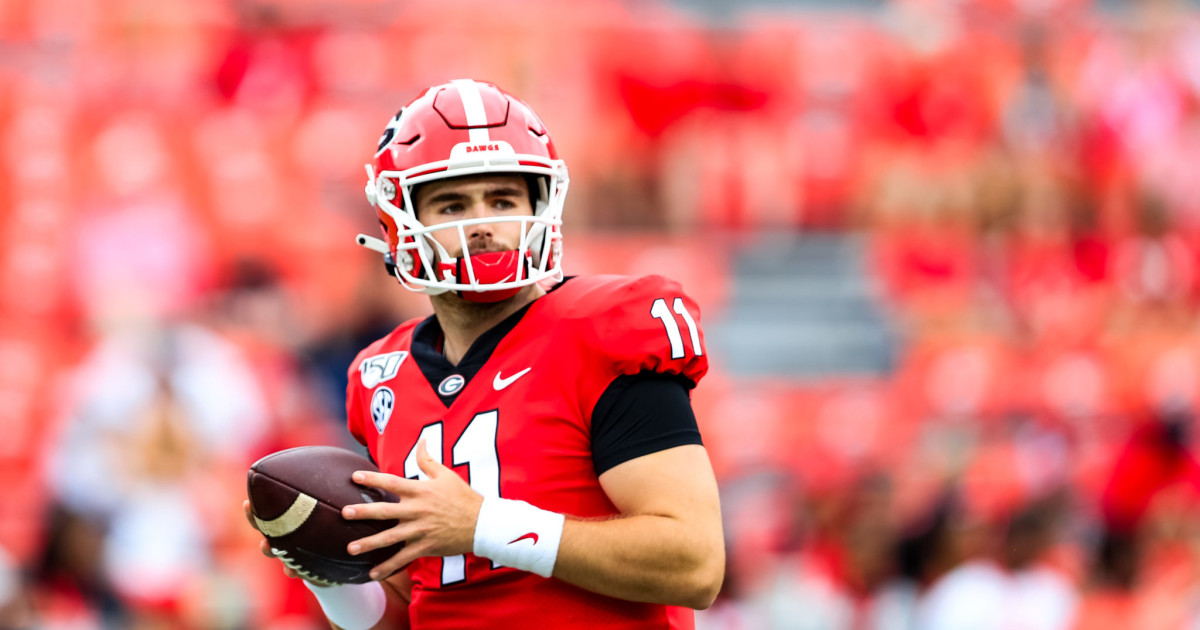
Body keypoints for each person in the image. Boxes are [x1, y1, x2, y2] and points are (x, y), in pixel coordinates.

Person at [245, 79, 725, 629]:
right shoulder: (381, 375)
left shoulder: (602, 331)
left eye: (502, 199)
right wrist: (328, 574)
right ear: (401, 224)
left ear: (540, 204)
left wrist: (484, 526)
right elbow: (411, 609)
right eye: (453, 204)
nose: (484, 225)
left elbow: (694, 564)